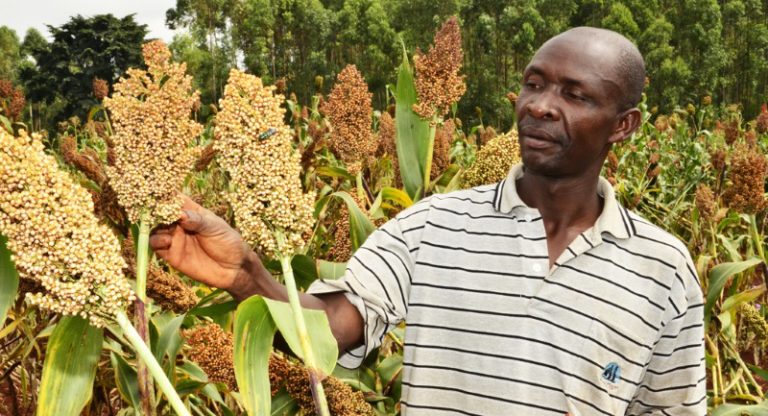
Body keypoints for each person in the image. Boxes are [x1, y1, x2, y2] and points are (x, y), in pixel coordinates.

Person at [151, 27, 705, 415]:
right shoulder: (433, 225)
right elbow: (334, 327)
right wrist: (247, 273)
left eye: (574, 94)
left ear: (623, 125)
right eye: (534, 84)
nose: (539, 105)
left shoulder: (663, 270)